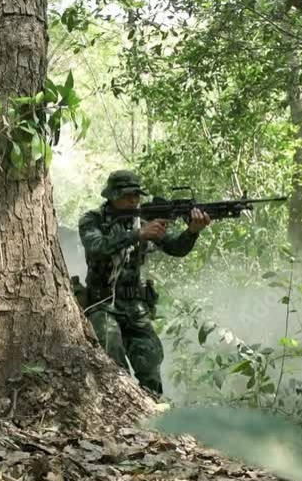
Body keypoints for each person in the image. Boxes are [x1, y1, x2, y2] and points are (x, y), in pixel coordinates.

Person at [74, 169, 210, 396]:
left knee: (151, 358)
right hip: (101, 303)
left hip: (135, 306)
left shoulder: (142, 221)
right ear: (113, 196)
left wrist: (192, 232)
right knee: (110, 355)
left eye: (137, 195)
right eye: (129, 195)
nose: (134, 200)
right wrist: (138, 235)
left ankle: (151, 408)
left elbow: (175, 248)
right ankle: (116, 404)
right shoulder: (93, 220)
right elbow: (96, 246)